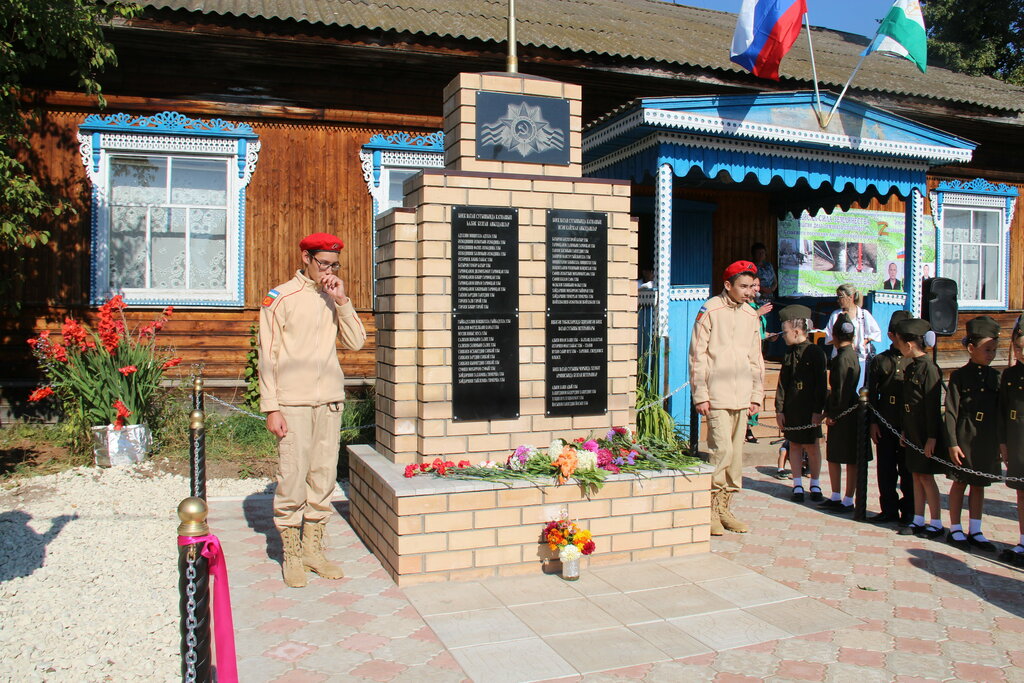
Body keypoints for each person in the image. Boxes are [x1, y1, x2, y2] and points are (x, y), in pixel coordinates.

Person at [259, 232, 368, 588]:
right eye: (323, 264)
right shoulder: (280, 298)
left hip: (330, 402)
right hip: (293, 403)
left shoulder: (332, 297)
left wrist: (342, 301)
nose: (329, 271)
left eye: (335, 265)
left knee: (323, 478)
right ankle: (291, 554)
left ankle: (313, 550)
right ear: (306, 258)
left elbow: (356, 342)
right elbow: (268, 356)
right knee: (292, 477)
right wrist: (271, 407)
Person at [690, 260, 765, 536]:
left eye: (751, 286)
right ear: (727, 285)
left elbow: (756, 358)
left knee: (735, 456)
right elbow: (698, 355)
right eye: (743, 286)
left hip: (742, 395)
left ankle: (725, 508)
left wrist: (756, 394)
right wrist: (700, 394)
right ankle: (710, 509)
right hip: (717, 395)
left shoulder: (751, 315)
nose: (748, 292)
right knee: (720, 452)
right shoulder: (710, 310)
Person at [944, 316, 1002, 552]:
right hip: (964, 435)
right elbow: (951, 411)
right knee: (960, 482)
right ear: (971, 348)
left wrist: (1000, 443)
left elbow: (999, 412)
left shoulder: (996, 377)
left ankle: (976, 530)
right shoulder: (959, 376)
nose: (991, 355)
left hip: (985, 437)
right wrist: (952, 442)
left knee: (979, 484)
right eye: (987, 350)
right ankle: (955, 528)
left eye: (994, 350)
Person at [893, 317, 945, 539]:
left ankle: (936, 522)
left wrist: (932, 437)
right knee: (915, 475)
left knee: (926, 477)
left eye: (900, 343)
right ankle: (918, 519)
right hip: (913, 431)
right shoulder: (912, 367)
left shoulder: (929, 369)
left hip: (925, 432)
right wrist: (905, 430)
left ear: (909, 344)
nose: (898, 347)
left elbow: (932, 407)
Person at [775, 305, 827, 503]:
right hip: (792, 407)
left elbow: (821, 384)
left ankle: (815, 483)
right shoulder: (789, 353)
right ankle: (797, 483)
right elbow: (782, 383)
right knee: (794, 444)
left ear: (796, 332)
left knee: (812, 446)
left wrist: (817, 410)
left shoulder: (815, 352)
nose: (783, 336)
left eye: (785, 332)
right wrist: (779, 409)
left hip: (809, 406)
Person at [866, 310, 914, 524]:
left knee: (907, 469)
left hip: (906, 423)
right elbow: (872, 394)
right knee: (885, 468)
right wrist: (873, 422)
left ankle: (910, 511)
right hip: (885, 420)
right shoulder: (881, 360)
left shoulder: (915, 361)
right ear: (891, 335)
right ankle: (888, 509)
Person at [820, 314, 861, 513]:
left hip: (843, 411)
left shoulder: (843, 358)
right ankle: (839, 496)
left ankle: (846, 498)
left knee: (841, 456)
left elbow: (841, 390)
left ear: (835, 336)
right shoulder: (851, 354)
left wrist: (832, 413)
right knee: (839, 456)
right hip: (849, 408)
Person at [998, 322, 1024, 565]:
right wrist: (1003, 443)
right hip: (1017, 441)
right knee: (1021, 492)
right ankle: (1023, 539)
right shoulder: (1010, 375)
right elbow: (1003, 411)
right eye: (1018, 347)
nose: (1021, 353)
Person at [824, 283, 882, 390]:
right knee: (839, 387)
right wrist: (843, 342)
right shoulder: (836, 315)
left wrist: (864, 341)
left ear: (850, 297)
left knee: (856, 388)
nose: (838, 300)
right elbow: (829, 336)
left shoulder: (863, 314)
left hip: (858, 358)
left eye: (840, 297)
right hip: (839, 357)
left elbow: (876, 332)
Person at [745, 276, 772, 444]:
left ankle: (750, 426)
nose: (756, 289)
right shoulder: (743, 307)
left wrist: (769, 335)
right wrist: (757, 314)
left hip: (758, 353)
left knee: (756, 390)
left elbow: (758, 331)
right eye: (753, 285)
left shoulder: (756, 306)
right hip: (745, 356)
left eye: (758, 285)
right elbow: (742, 327)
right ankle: (744, 428)